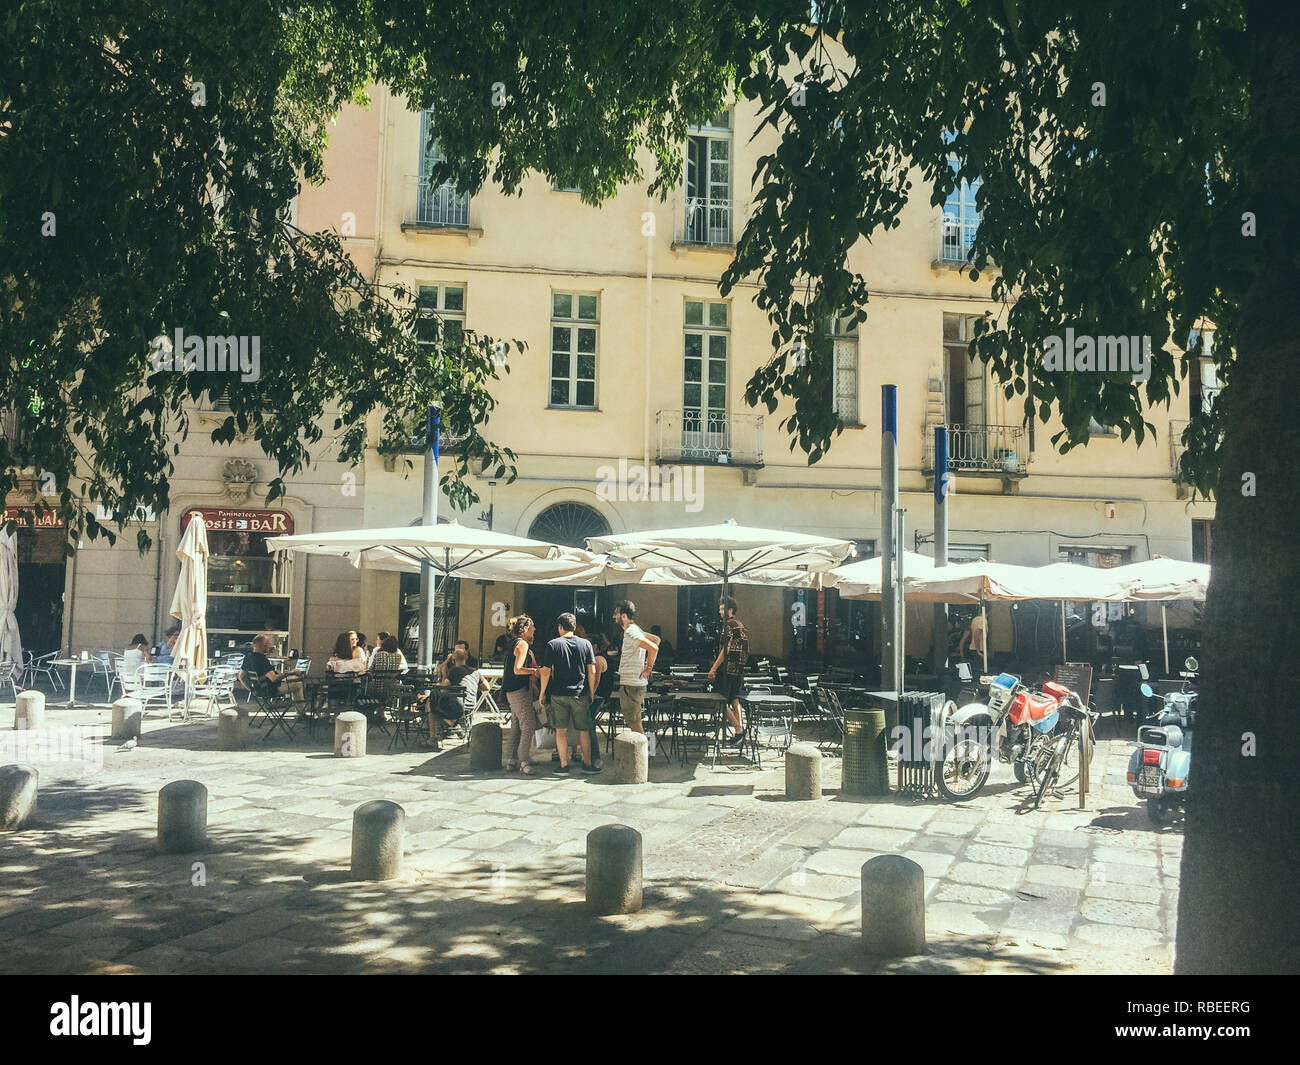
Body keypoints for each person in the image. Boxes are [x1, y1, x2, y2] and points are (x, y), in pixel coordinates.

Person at [538, 612, 599, 774]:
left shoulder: (553, 644)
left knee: (561, 731)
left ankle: (564, 765)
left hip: (558, 694)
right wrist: (591, 691)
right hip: (580, 693)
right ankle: (587, 764)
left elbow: (545, 671)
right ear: (574, 626)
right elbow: (592, 670)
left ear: (560, 627)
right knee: (584, 730)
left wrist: (542, 692)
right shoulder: (586, 644)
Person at [612, 601, 659, 736]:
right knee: (636, 722)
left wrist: (648, 667)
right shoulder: (636, 629)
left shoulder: (631, 632)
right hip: (635, 684)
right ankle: (647, 753)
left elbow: (654, 647)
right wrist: (646, 664)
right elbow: (656, 639)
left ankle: (645, 754)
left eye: (616, 614)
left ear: (624, 616)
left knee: (634, 723)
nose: (614, 617)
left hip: (632, 685)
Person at [707, 596, 749, 745]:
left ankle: (738, 729)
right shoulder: (740, 624)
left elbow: (726, 649)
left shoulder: (728, 625)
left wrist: (713, 668)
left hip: (727, 670)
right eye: (720, 609)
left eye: (723, 609)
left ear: (730, 610)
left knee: (720, 703)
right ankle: (740, 732)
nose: (720, 612)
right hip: (739, 670)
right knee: (734, 700)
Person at [502, 615, 540, 774]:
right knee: (529, 725)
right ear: (525, 629)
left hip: (510, 690)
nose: (534, 631)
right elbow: (518, 669)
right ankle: (524, 760)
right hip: (519, 690)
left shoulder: (512, 643)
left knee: (516, 725)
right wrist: (536, 671)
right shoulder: (522, 644)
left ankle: (511, 760)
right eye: (532, 628)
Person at [430, 647, 489, 743]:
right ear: (466, 658)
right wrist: (474, 687)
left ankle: (434, 738)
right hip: (470, 707)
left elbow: (443, 690)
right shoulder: (475, 672)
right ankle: (453, 725)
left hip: (457, 708)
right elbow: (487, 687)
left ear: (453, 660)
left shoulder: (454, 671)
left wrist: (444, 674)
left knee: (432, 703)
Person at [239, 632, 308, 714]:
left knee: (293, 679)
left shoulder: (248, 657)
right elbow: (274, 678)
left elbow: (241, 676)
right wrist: (291, 672)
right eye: (267, 644)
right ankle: (301, 713)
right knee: (298, 682)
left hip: (260, 690)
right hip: (271, 690)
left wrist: (251, 690)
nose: (269, 646)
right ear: (261, 645)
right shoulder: (262, 660)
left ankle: (301, 710)